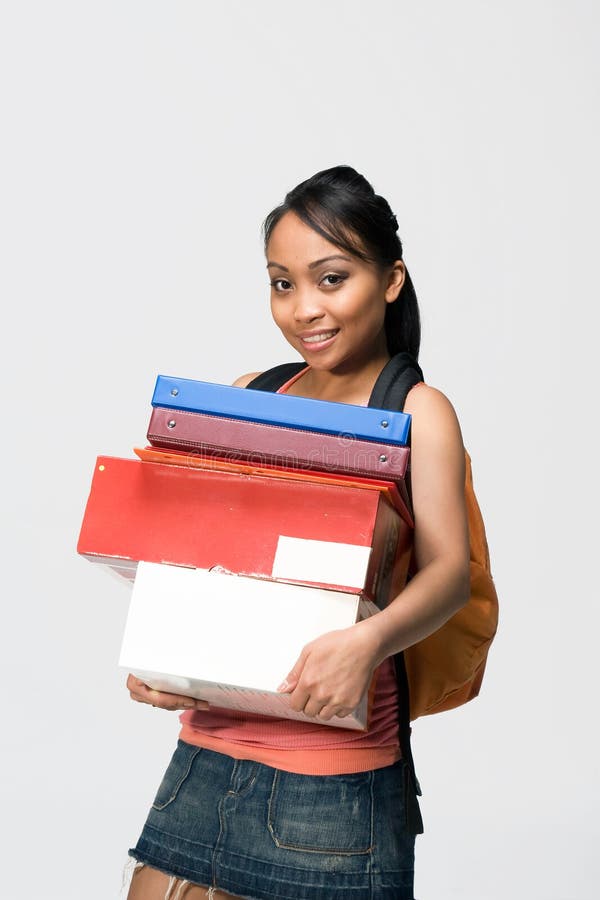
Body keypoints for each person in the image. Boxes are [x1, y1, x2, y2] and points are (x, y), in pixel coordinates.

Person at [124, 165, 470, 900]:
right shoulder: (255, 392)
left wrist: (368, 642)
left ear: (391, 280)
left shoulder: (418, 411)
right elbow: (210, 555)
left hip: (333, 783)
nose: (303, 308)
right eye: (282, 283)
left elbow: (449, 574)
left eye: (331, 278)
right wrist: (167, 654)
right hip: (207, 746)